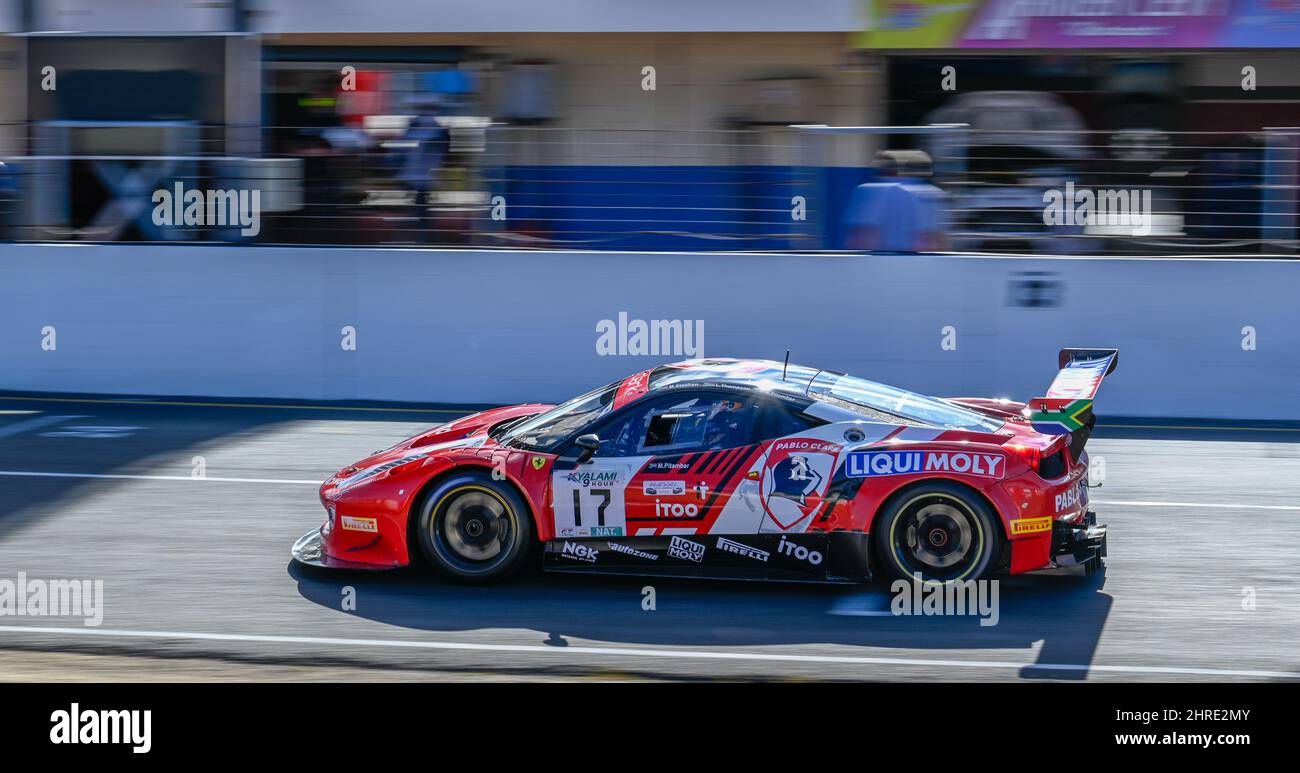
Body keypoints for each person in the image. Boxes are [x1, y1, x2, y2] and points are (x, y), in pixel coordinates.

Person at [845, 150, 948, 253]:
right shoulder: (936, 194)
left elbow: (864, 237)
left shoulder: (870, 191)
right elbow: (938, 240)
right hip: (919, 261)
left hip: (881, 260)